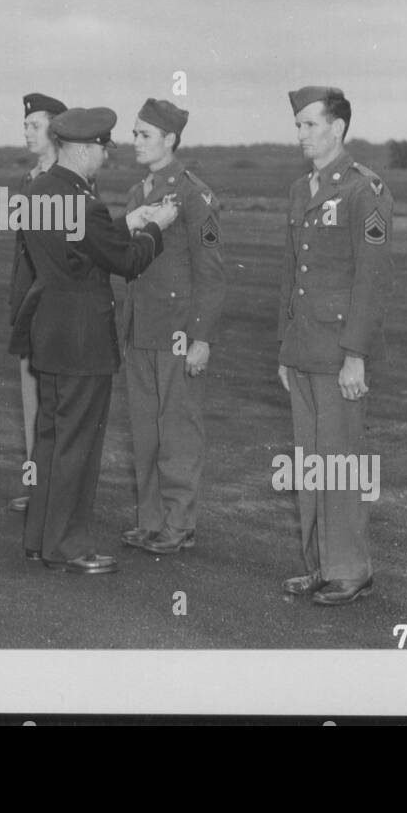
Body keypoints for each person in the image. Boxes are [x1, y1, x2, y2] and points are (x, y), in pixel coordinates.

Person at [17, 107, 176, 574]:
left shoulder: (40, 190)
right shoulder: (82, 201)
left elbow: (78, 248)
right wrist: (153, 228)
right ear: (84, 150)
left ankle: (40, 537)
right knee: (78, 446)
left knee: (50, 438)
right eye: (102, 150)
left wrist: (124, 223)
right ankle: (68, 546)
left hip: (50, 329)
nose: (105, 158)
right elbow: (124, 262)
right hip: (84, 335)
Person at [277, 86, 394, 606]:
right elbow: (291, 274)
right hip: (303, 347)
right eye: (298, 125)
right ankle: (319, 565)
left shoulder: (363, 191)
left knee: (340, 461)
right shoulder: (303, 190)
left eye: (309, 124)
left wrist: (356, 354)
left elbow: (371, 280)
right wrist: (284, 348)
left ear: (337, 128)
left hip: (339, 350)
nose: (301, 134)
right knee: (309, 462)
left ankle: (350, 568)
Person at [119, 98, 226, 554]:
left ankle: (178, 524)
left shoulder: (193, 195)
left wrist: (201, 337)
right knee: (145, 431)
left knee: (177, 431)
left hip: (178, 332)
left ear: (170, 139)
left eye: (144, 134)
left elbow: (212, 272)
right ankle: (151, 520)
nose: (135, 141)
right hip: (141, 329)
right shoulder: (136, 194)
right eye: (135, 133)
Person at [6, 92, 67, 512]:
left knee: (56, 405)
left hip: (55, 311)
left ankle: (57, 491)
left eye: (35, 125)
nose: (27, 132)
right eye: (26, 125)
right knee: (33, 404)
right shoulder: (29, 181)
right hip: (29, 310)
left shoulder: (69, 180)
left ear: (56, 129)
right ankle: (38, 488)